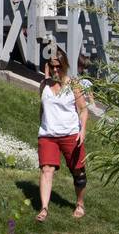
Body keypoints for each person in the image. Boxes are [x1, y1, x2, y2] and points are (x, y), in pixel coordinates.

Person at [36, 50, 88, 222]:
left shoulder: (73, 85)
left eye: (59, 66)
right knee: (46, 169)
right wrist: (46, 71)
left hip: (70, 134)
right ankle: (44, 208)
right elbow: (42, 109)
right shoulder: (44, 84)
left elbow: (83, 109)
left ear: (65, 65)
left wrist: (82, 130)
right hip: (48, 135)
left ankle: (80, 203)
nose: (56, 70)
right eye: (52, 66)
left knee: (78, 172)